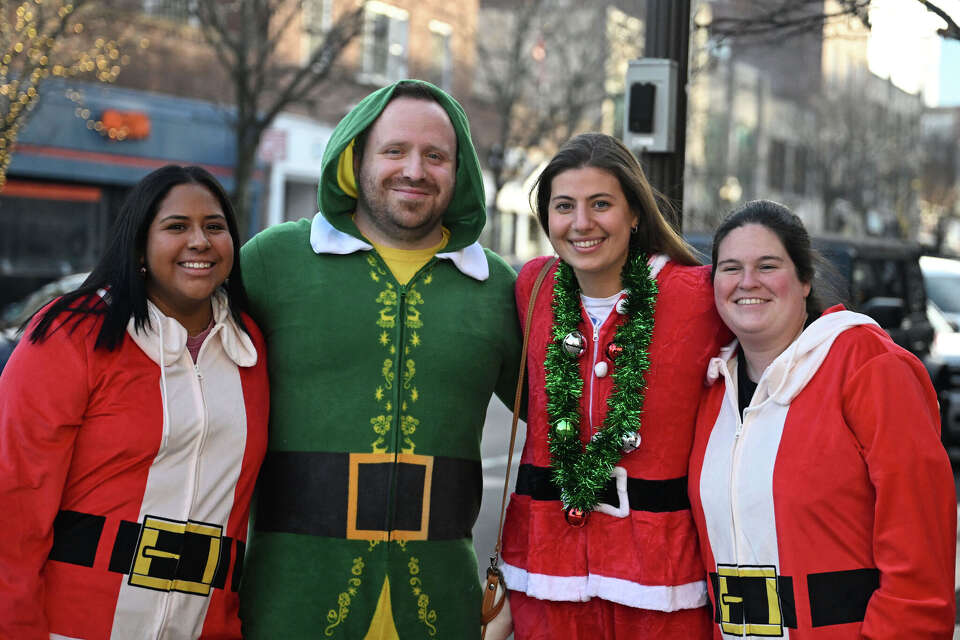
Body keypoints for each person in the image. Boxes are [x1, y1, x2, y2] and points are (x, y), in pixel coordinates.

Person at [238, 79, 521, 638]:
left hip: (443, 608)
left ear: (458, 171)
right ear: (356, 157)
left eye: (435, 156)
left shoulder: (497, 287)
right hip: (289, 605)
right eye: (394, 150)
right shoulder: (273, 262)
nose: (415, 170)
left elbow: (566, 426)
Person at [0, 165, 269, 639]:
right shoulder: (73, 331)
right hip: (73, 625)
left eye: (214, 226)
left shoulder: (251, 347)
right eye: (176, 226)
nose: (200, 241)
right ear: (140, 245)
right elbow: (15, 495)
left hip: (204, 626)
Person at [493, 133, 728, 640]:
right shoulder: (532, 286)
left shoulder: (699, 294)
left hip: (662, 584)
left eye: (601, 204)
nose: (581, 223)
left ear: (635, 213)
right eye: (564, 206)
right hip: (545, 576)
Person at [688, 200, 956, 638]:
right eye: (730, 268)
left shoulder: (869, 368)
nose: (747, 282)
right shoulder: (708, 388)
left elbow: (920, 564)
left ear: (805, 279)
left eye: (768, 265)